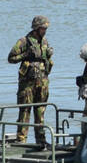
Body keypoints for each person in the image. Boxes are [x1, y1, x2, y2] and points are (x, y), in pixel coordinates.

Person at [8, 15, 53, 143]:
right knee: (25, 111)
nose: (45, 31)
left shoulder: (44, 42)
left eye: (45, 28)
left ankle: (41, 139)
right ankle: (21, 139)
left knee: (40, 111)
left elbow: (48, 61)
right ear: (36, 28)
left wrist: (48, 56)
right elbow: (11, 58)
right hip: (27, 84)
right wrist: (25, 55)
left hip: (42, 82)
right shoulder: (24, 41)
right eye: (43, 28)